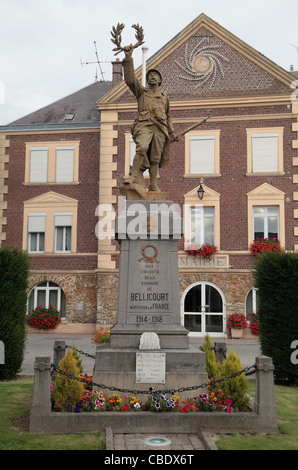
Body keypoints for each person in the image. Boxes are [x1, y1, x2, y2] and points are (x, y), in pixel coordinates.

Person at [122, 45, 176, 192]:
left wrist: (171, 133)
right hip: (144, 125)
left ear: (160, 80)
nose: (152, 76)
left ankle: (153, 185)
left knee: (155, 158)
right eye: (149, 75)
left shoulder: (164, 98)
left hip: (160, 127)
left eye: (155, 75)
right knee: (142, 147)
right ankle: (133, 177)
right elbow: (131, 80)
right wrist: (128, 58)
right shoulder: (141, 92)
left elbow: (168, 115)